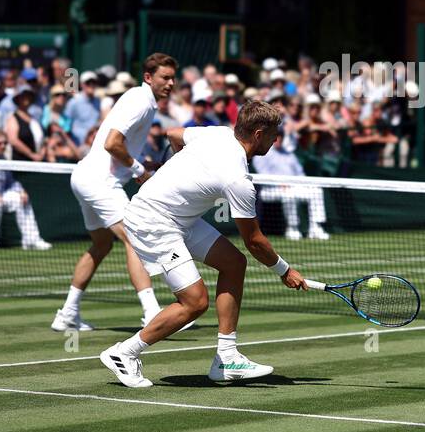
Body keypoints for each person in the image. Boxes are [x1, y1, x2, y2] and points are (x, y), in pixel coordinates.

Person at [99, 99, 308, 388]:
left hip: (178, 218)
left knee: (234, 263)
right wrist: (285, 271)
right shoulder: (237, 179)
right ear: (259, 134)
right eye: (274, 134)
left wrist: (178, 170)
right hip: (152, 220)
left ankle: (226, 358)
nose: (276, 140)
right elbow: (255, 240)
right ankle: (124, 353)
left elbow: (173, 134)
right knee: (195, 302)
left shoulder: (219, 132)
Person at [53, 53, 181, 333]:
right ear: (148, 77)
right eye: (165, 77)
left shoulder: (143, 101)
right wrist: (138, 171)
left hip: (85, 177)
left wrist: (141, 163)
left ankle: (67, 314)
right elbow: (113, 143)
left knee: (102, 245)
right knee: (135, 239)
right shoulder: (141, 100)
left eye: (173, 78)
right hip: (99, 181)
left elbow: (116, 146)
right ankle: (152, 314)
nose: (171, 83)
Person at [252, 131, 330, 241]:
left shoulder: (289, 154)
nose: (278, 140)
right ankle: (292, 228)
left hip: (293, 187)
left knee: (316, 191)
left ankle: (315, 228)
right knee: (289, 195)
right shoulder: (262, 154)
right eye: (275, 137)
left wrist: (305, 184)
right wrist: (279, 184)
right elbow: (262, 175)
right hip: (269, 190)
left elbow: (300, 173)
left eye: (280, 138)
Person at [5, 86, 45, 161]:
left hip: (36, 163)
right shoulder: (13, 118)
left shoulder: (34, 119)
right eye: (23, 96)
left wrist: (42, 153)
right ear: (18, 99)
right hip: (20, 163)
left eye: (28, 96)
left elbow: (42, 139)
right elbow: (13, 140)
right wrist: (31, 154)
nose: (26, 98)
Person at [64, 70, 102, 145]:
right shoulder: (74, 102)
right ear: (82, 85)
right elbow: (66, 125)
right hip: (77, 145)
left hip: (94, 144)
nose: (91, 85)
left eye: (94, 83)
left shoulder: (98, 101)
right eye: (88, 83)